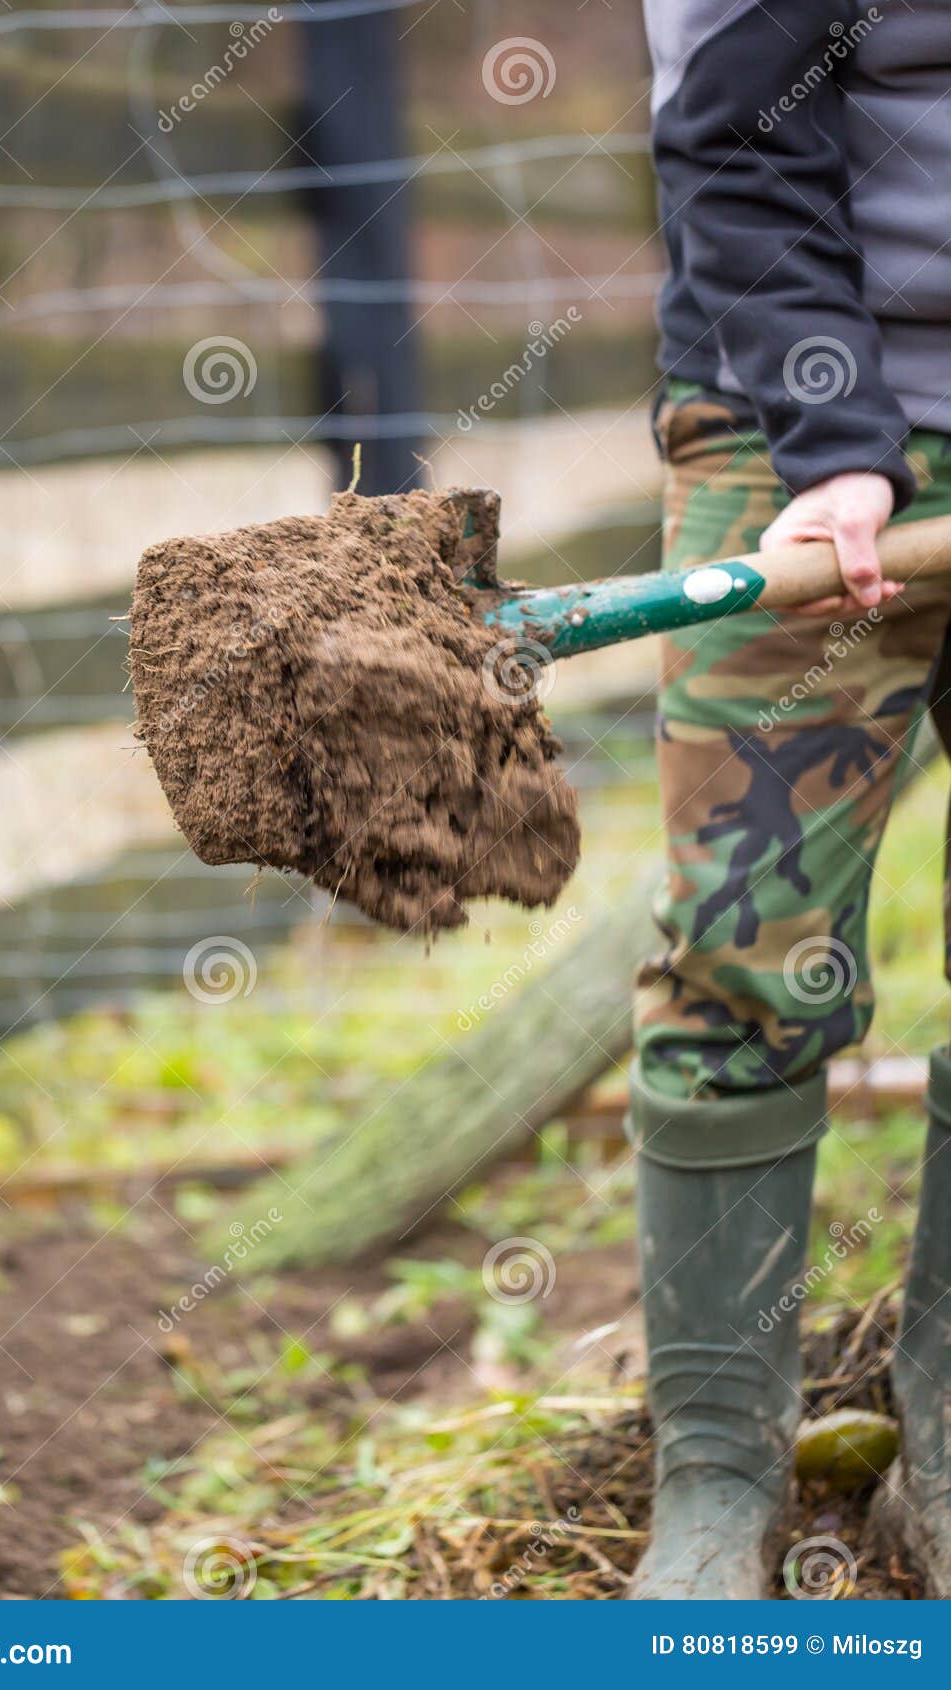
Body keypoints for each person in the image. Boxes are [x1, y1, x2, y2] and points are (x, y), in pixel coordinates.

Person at [630, 0, 951, 1598]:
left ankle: (945, 1442)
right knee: (744, 944)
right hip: (800, 400)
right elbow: (741, 128)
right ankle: (713, 1474)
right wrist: (841, 439)